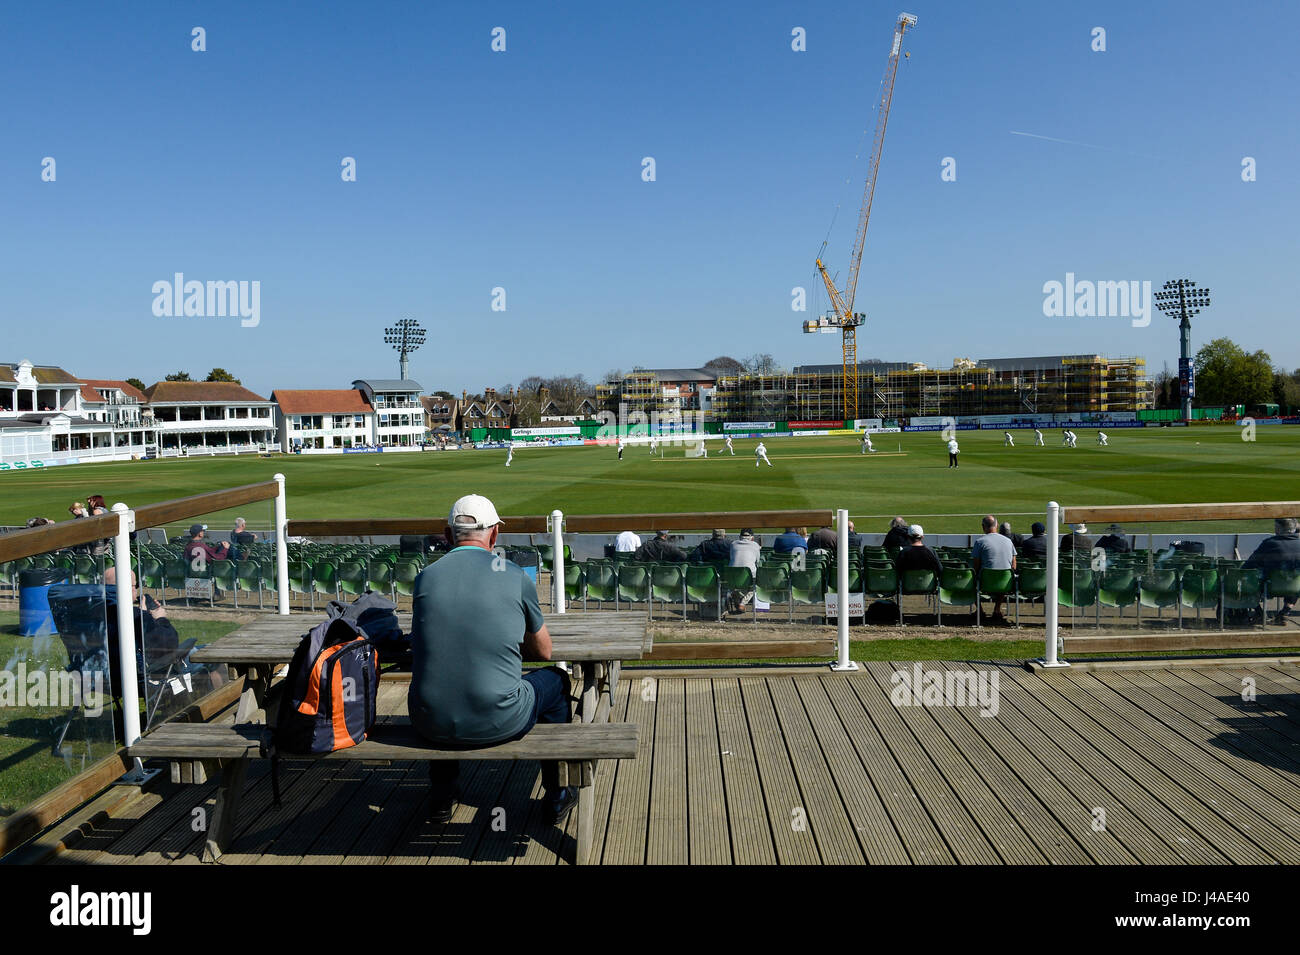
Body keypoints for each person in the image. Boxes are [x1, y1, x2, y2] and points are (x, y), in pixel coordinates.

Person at [408, 494, 577, 825]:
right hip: (500, 718)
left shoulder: (425, 578)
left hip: (429, 721)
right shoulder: (514, 575)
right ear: (494, 535)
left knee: (446, 686)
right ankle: (557, 793)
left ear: (447, 535)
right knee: (557, 681)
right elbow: (544, 652)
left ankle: (442, 796)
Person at [1243, 518, 1300, 622]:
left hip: (1271, 587)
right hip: (1295, 588)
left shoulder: (1269, 543)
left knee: (1245, 579)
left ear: (1278, 529)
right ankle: (1285, 611)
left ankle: (1259, 613)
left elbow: (1248, 565)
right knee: (1294, 575)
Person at [971, 515, 1017, 624]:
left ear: (983, 527)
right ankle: (997, 609)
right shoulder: (1008, 541)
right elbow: (1014, 565)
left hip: (986, 582)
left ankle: (980, 610)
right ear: (996, 525)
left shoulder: (979, 542)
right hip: (1005, 583)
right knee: (1004, 576)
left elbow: (976, 565)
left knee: (970, 579)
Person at [726, 529, 761, 613]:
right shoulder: (755, 545)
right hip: (747, 576)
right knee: (754, 586)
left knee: (734, 587)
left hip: (733, 576)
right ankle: (742, 603)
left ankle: (738, 603)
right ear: (752, 537)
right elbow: (758, 561)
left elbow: (731, 557)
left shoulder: (733, 544)